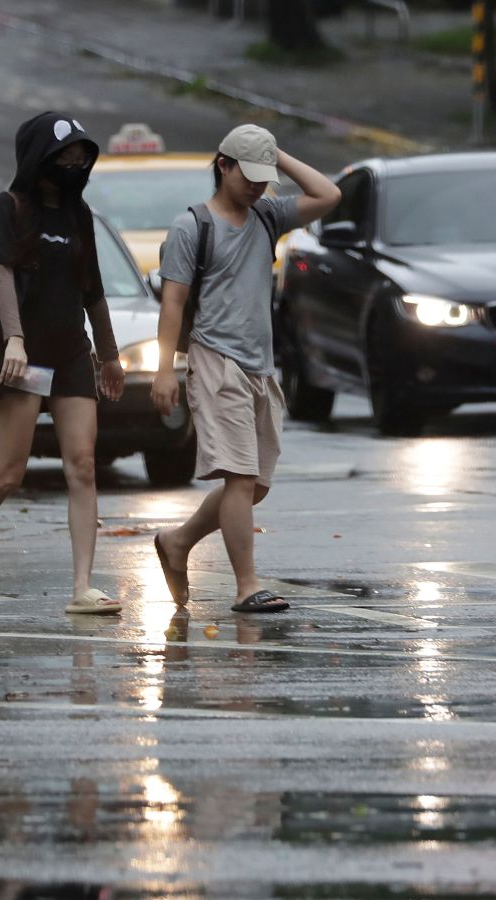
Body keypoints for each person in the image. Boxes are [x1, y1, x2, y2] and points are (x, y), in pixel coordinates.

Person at [0, 111, 126, 616]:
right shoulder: (8, 208)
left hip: (70, 356)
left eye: (81, 156)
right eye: (65, 155)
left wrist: (109, 355)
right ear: (39, 157)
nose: (74, 163)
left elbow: (94, 290)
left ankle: (83, 585)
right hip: (26, 356)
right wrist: (14, 340)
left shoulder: (79, 215)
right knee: (10, 473)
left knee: (82, 465)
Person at [149, 124, 341, 613]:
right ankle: (247, 585)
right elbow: (172, 302)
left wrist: (278, 155)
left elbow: (329, 194)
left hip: (260, 366)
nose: (257, 185)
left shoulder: (268, 216)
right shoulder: (192, 226)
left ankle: (177, 541)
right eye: (248, 174)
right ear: (223, 166)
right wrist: (164, 370)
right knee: (238, 477)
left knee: (254, 486)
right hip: (215, 359)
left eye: (264, 176)